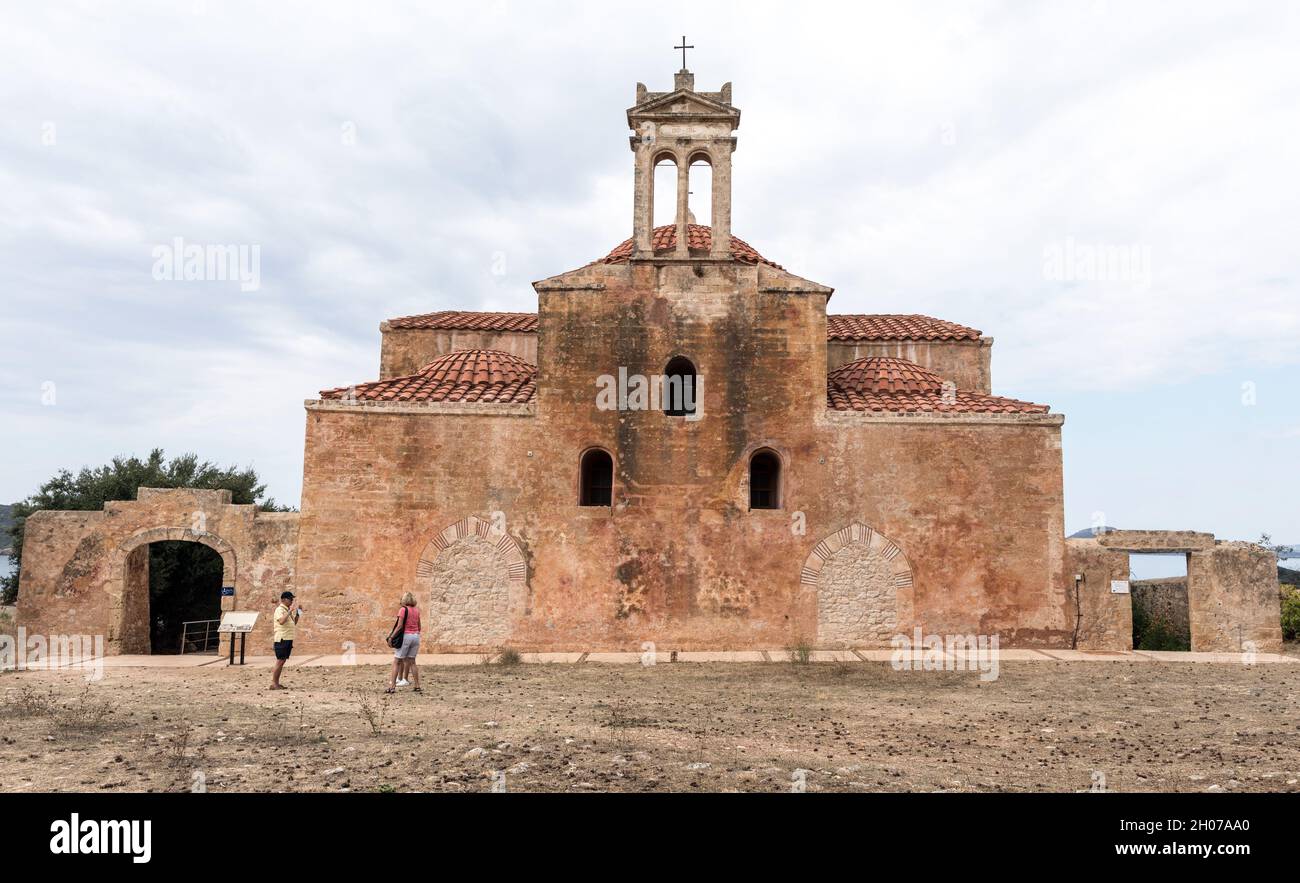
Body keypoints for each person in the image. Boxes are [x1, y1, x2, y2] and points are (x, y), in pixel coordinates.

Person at [386, 592, 421, 694]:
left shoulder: (403, 610)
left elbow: (400, 626)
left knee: (397, 661)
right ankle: (417, 685)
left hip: (406, 636)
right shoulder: (417, 611)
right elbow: (419, 627)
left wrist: (391, 637)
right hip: (416, 636)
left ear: (404, 600)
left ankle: (392, 686)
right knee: (412, 662)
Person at [270, 591, 300, 690]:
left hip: (287, 638)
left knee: (282, 661)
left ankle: (276, 683)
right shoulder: (280, 610)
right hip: (281, 639)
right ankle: (274, 683)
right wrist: (289, 611)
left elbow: (293, 623)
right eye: (290, 599)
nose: (292, 601)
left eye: (292, 599)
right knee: (280, 661)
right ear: (283, 600)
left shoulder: (286, 610)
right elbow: (282, 621)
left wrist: (298, 613)